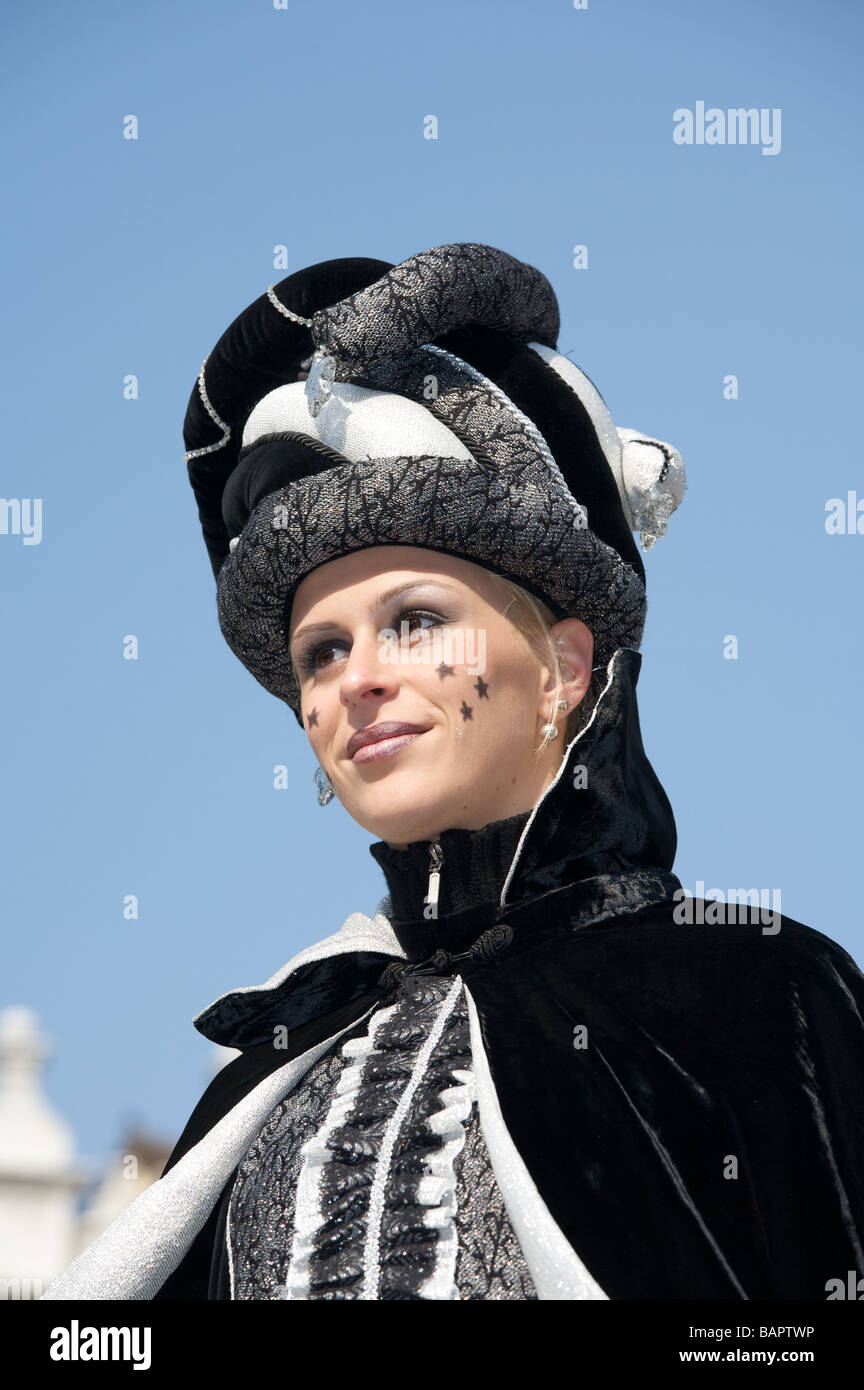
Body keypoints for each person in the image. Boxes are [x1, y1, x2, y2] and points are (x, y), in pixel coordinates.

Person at [42, 242, 864, 1301]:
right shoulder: (264, 1077)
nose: (359, 681)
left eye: (415, 621)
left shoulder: (764, 995)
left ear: (565, 666)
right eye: (321, 652)